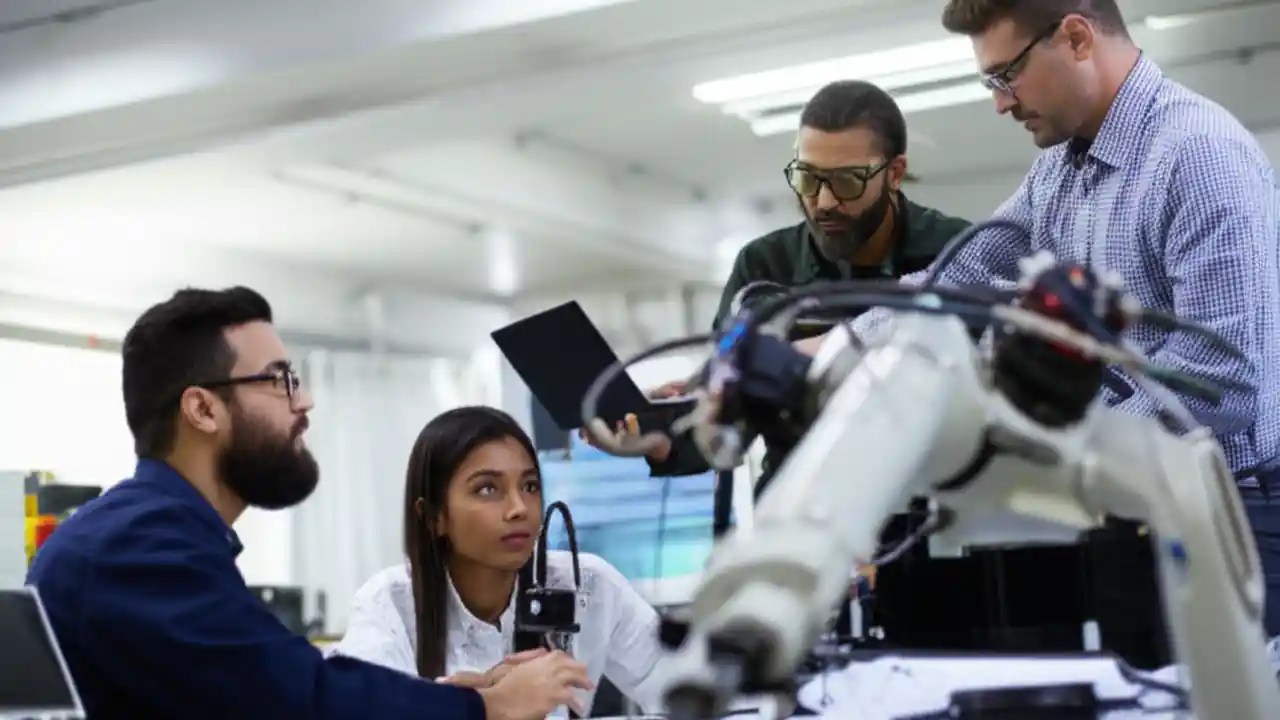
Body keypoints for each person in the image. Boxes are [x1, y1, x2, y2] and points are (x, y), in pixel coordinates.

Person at [850, 0, 1280, 637]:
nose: (1000, 102)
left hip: (1234, 515)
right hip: (1130, 517)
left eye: (1005, 76)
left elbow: (1223, 381)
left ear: (1076, 37)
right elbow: (963, 278)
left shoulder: (1197, 155)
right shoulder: (1060, 169)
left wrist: (1039, 442)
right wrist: (837, 341)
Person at [25, 287, 589, 720]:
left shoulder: (155, 534)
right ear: (202, 410)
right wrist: (487, 709)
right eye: (280, 381)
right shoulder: (136, 546)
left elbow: (267, 685)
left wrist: (452, 697)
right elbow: (299, 701)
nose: (306, 401)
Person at [587, 80, 971, 488]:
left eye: (846, 182)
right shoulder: (763, 266)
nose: (823, 202)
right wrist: (664, 441)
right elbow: (731, 420)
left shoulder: (959, 256)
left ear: (894, 173)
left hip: (930, 507)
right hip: (801, 508)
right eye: (808, 179)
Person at [334, 406, 666, 717]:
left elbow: (697, 693)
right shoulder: (388, 604)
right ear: (433, 516)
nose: (519, 507)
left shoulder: (589, 585)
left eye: (530, 485)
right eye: (487, 489)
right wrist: (481, 704)